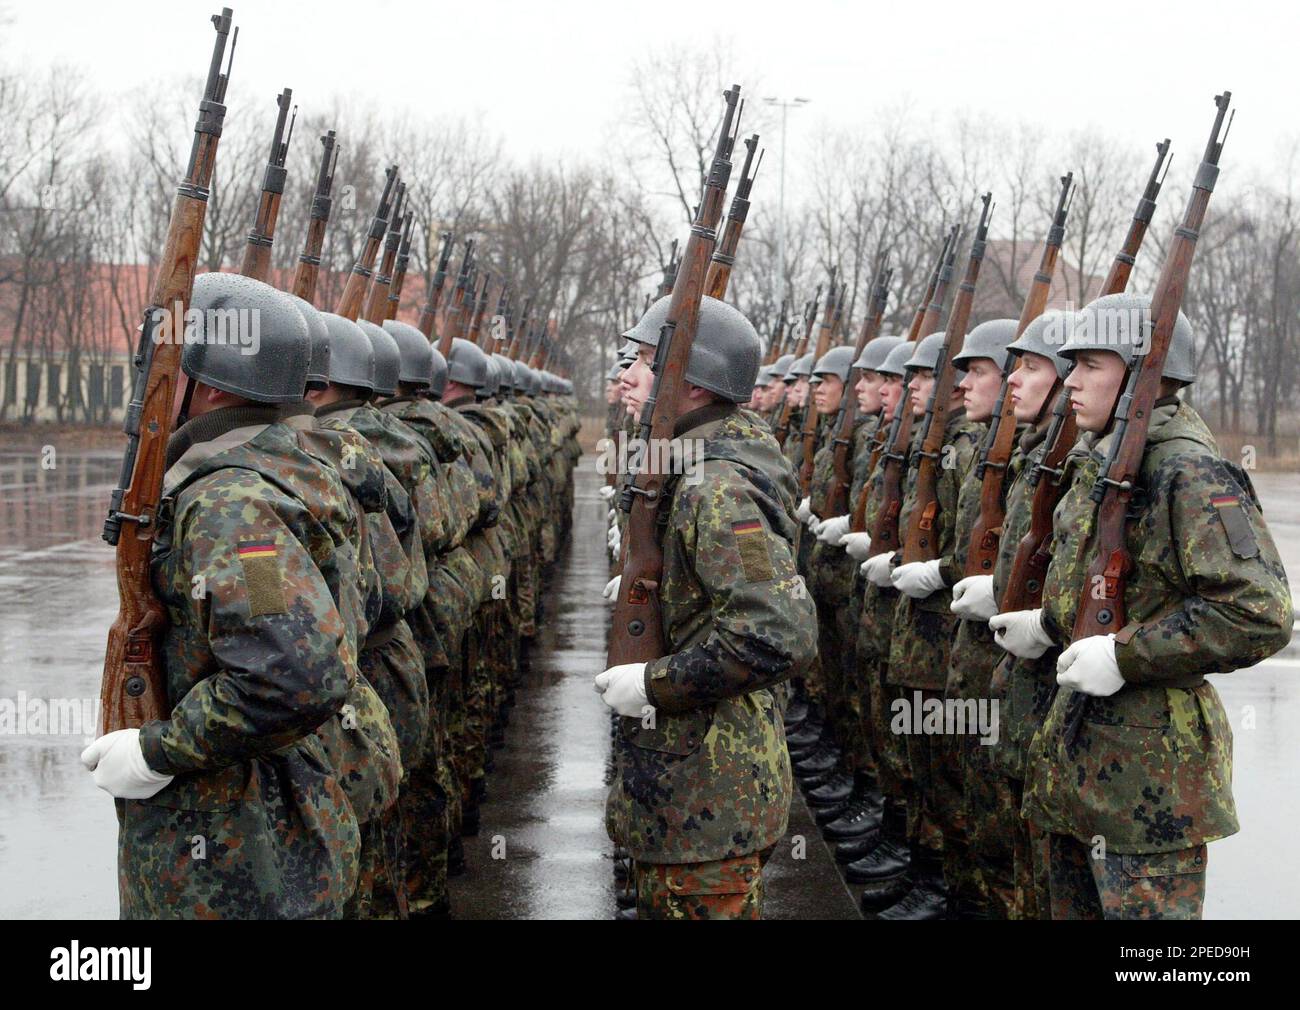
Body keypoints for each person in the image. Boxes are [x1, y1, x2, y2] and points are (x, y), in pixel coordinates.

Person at [997, 292, 1292, 919]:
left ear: (1143, 375)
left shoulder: (1188, 472)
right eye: (1070, 364)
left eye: (1090, 365)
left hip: (1151, 787)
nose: (1071, 379)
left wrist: (1126, 656)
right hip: (1081, 769)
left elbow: (1257, 612)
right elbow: (1115, 591)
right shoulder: (1105, 463)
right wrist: (1048, 626)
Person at [82, 272, 363, 918]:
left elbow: (291, 675)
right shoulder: (268, 474)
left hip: (238, 861)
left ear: (208, 385)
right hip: (258, 838)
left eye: (165, 367)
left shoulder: (232, 505)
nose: (149, 385)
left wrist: (156, 751)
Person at [599, 295, 817, 920]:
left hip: (711, 794)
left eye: (643, 361)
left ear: (692, 384)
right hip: (691, 787)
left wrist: (653, 682)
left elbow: (778, 633)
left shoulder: (715, 486)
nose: (626, 375)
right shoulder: (689, 463)